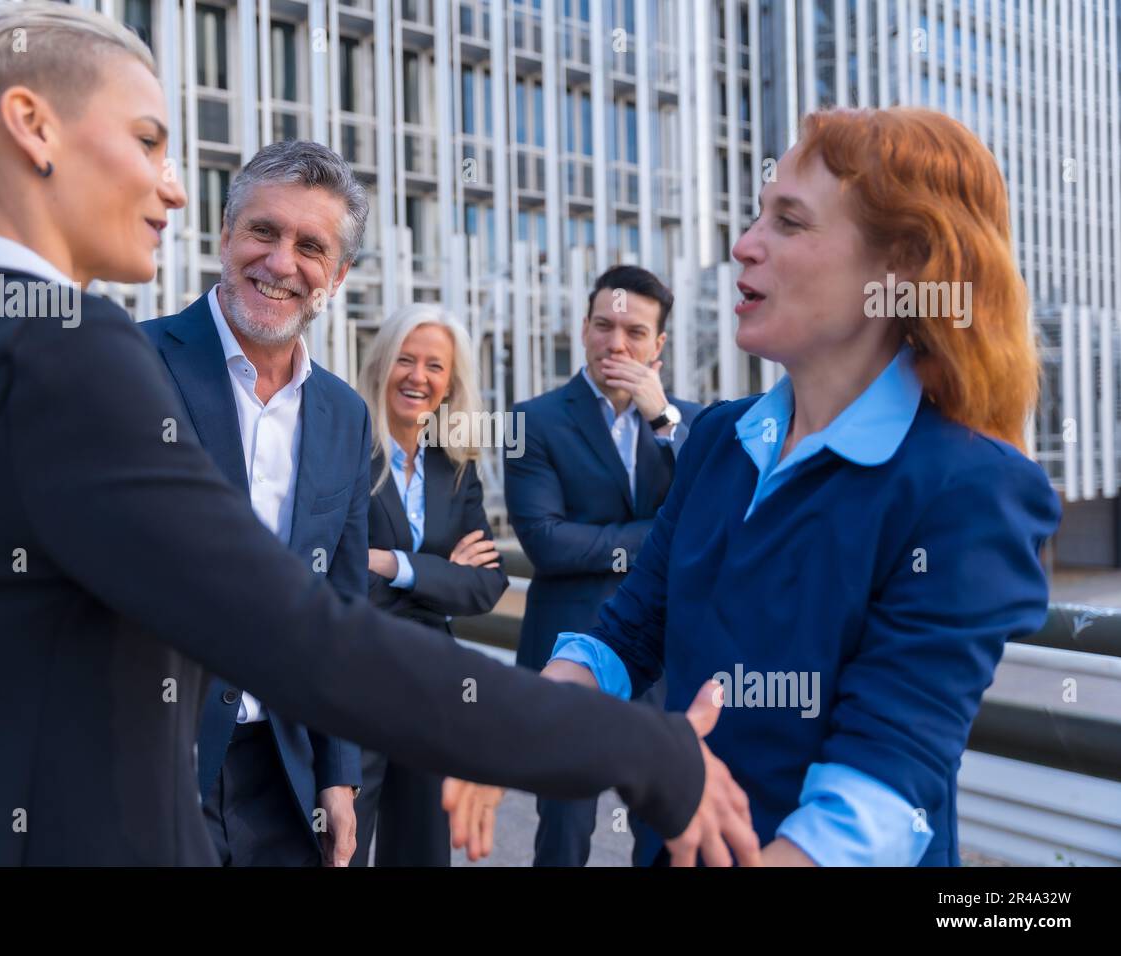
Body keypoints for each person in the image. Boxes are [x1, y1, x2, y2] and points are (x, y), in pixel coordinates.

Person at [0, 0, 741, 866]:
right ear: (33, 127)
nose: (171, 187)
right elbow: (301, 633)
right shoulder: (70, 351)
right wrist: (639, 747)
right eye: (147, 140)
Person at [448, 106, 1061, 867]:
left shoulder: (972, 490)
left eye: (789, 222)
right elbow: (625, 637)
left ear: (901, 265)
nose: (744, 244)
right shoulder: (719, 440)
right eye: (757, 215)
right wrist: (515, 728)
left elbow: (876, 797)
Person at [139, 140, 371, 867]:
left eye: (311, 246)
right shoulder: (131, 367)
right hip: (153, 767)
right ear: (225, 235)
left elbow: (341, 608)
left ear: (338, 274)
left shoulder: (346, 414)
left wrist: (338, 774)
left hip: (287, 778)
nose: (280, 262)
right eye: (263, 231)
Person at [506, 265, 701, 866]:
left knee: (664, 831)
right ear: (584, 329)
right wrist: (664, 535)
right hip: (568, 651)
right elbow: (547, 543)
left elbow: (711, 520)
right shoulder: (532, 420)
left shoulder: (693, 424)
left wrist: (662, 420)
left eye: (634, 332)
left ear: (658, 344)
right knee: (562, 836)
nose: (616, 344)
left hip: (662, 659)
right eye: (603, 326)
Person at [349, 305, 508, 867]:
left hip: (429, 685)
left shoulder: (455, 467)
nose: (418, 377)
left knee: (422, 848)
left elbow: (487, 583)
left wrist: (395, 564)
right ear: (381, 365)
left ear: (450, 384)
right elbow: (337, 573)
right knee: (339, 844)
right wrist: (442, 573)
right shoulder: (347, 452)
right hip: (353, 678)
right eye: (405, 360)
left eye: (435, 366)